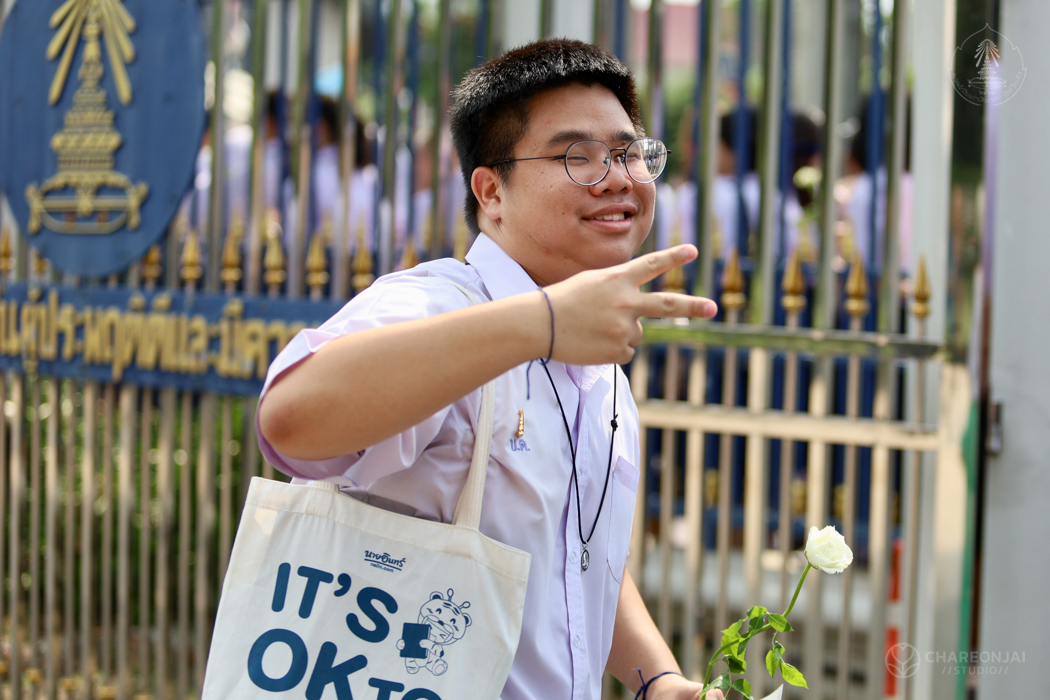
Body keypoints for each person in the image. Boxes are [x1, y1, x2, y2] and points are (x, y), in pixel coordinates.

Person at [258, 39, 722, 700]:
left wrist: (657, 679)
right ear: (491, 191)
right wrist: (543, 323)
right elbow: (289, 420)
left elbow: (571, 546)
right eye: (576, 156)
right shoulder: (439, 304)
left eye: (627, 153)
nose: (617, 177)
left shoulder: (599, 365)